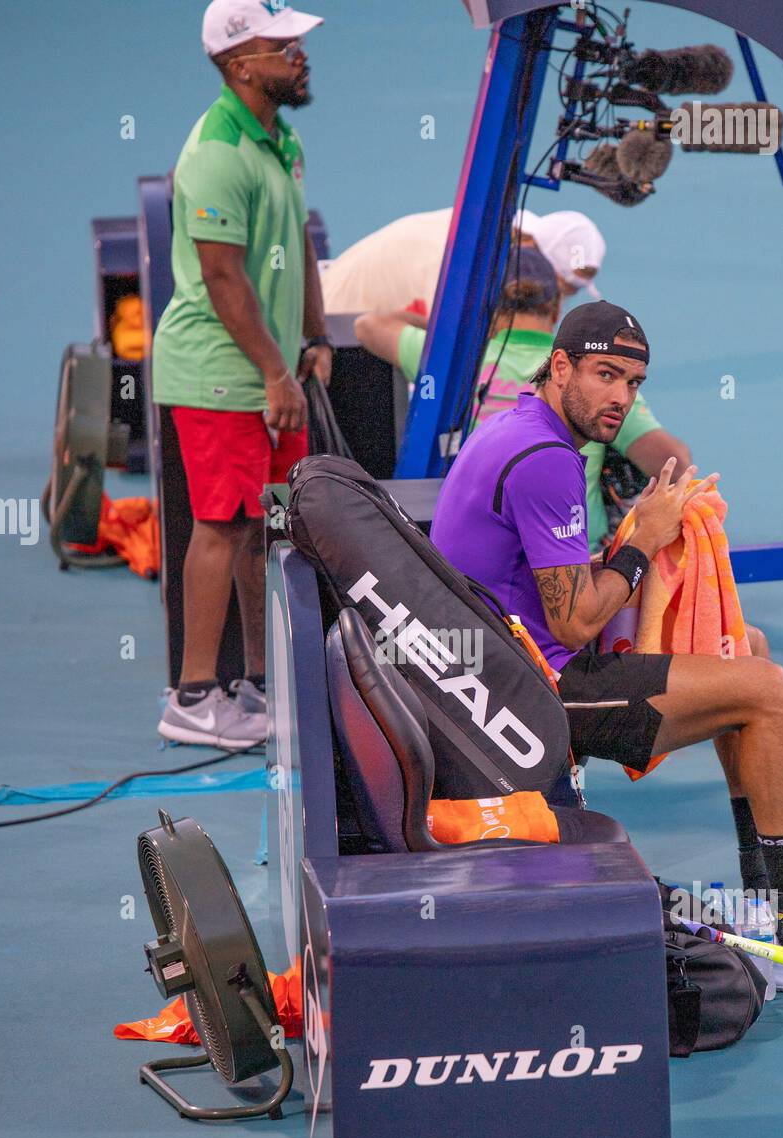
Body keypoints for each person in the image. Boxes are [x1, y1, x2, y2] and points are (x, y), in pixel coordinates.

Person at [429, 300, 783, 991]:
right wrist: (641, 542)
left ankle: (762, 900)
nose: (620, 398)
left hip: (504, 663)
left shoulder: (519, 425)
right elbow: (571, 625)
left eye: (632, 383)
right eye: (605, 375)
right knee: (766, 692)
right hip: (528, 696)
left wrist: (632, 543)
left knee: (743, 646)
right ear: (560, 366)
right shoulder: (544, 459)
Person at [152, 0, 331, 750]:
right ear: (239, 66)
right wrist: (273, 373)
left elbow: (297, 238)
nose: (299, 54)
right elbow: (223, 280)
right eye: (281, 45)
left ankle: (262, 682)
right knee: (223, 524)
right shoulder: (216, 153)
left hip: (268, 371)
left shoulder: (279, 139)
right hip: (220, 375)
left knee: (269, 528)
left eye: (297, 42)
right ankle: (194, 697)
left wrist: (315, 338)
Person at [354, 242, 691, 550]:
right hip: (581, 555)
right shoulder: (590, 372)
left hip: (487, 553)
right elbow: (673, 462)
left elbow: (368, 325)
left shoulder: (454, 358)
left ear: (489, 305)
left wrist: (463, 327)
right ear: (557, 305)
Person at [321, 207, 606, 318]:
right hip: (329, 334)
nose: (551, 305)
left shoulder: (492, 232)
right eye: (552, 291)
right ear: (531, 247)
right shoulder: (463, 261)